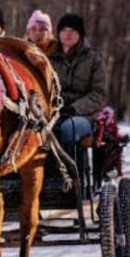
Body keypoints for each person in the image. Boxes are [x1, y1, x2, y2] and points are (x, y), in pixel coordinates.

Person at [49, 13, 108, 153]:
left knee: (69, 128)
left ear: (80, 34)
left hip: (83, 115)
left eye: (73, 31)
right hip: (52, 113)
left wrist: (74, 109)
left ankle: (71, 170)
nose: (68, 34)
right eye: (64, 30)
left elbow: (99, 94)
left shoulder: (94, 59)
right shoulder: (49, 59)